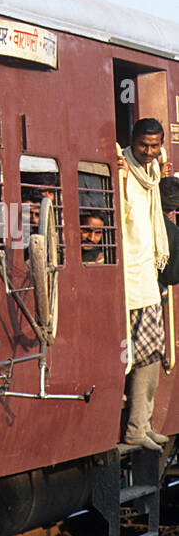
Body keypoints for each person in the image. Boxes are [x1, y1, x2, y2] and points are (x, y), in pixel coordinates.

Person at [117, 118, 172, 452]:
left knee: (153, 352)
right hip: (130, 275)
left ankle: (144, 424)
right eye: (143, 146)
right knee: (142, 354)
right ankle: (136, 428)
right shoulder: (125, 170)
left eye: (154, 146)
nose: (149, 152)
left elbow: (161, 155)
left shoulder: (150, 171)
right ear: (132, 142)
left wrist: (161, 160)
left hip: (147, 271)